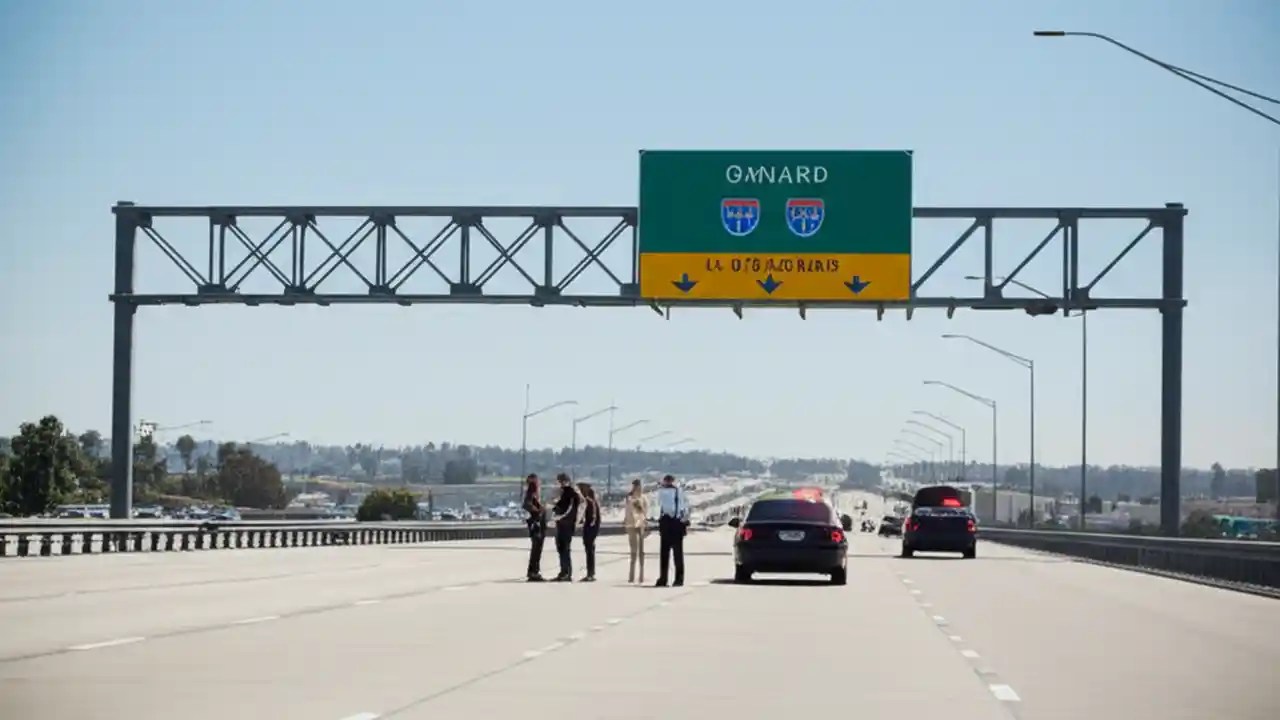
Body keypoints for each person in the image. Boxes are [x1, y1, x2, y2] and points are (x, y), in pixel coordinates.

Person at [654, 474, 688, 587]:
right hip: (673, 523)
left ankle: (665, 578)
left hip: (670, 523)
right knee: (675, 554)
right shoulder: (678, 492)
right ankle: (677, 578)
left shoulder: (664, 492)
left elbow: (658, 508)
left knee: (668, 553)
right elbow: (684, 508)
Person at [550, 472, 581, 582]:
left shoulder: (571, 493)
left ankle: (566, 573)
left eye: (560, 481)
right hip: (563, 523)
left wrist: (559, 516)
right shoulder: (565, 493)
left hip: (566, 524)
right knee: (561, 548)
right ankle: (564, 571)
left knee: (564, 548)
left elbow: (568, 509)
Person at [623, 478, 649, 583]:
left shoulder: (643, 498)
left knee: (641, 551)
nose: (637, 488)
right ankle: (631, 575)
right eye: (636, 486)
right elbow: (627, 511)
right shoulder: (629, 498)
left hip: (641, 524)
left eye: (639, 486)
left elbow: (645, 511)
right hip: (631, 524)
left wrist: (639, 506)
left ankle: (641, 575)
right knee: (633, 550)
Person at [521, 474, 546, 582]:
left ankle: (534, 571)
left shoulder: (533, 495)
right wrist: (538, 511)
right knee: (536, 548)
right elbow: (527, 505)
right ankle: (533, 572)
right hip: (536, 525)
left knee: (536, 549)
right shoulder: (531, 493)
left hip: (536, 524)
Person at [577, 482, 601, 582]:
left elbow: (594, 514)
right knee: (589, 548)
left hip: (590, 526)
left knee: (589, 548)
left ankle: (590, 573)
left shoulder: (589, 500)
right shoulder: (591, 500)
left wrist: (591, 522)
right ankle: (590, 573)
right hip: (590, 525)